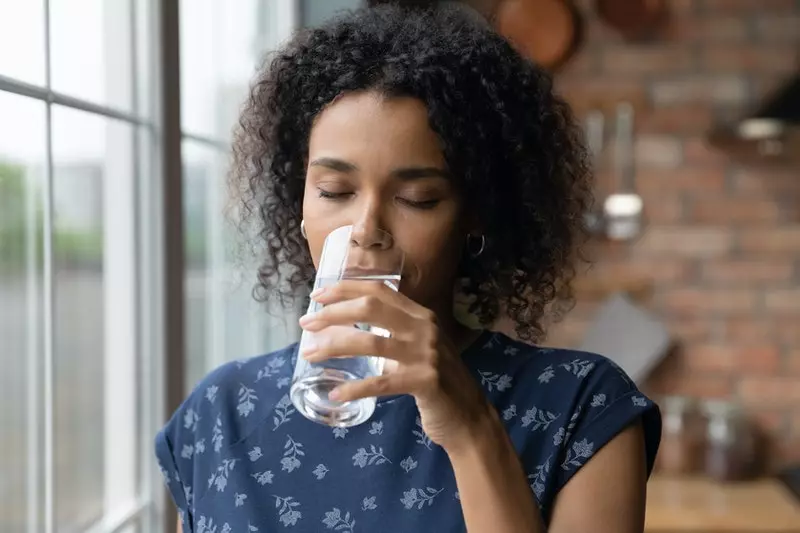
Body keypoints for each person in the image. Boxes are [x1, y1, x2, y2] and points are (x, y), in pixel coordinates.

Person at [155, 4, 661, 532]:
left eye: (418, 198)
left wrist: (471, 427)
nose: (366, 226)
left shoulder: (583, 411)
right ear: (299, 205)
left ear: (474, 216)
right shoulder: (220, 413)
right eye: (334, 191)